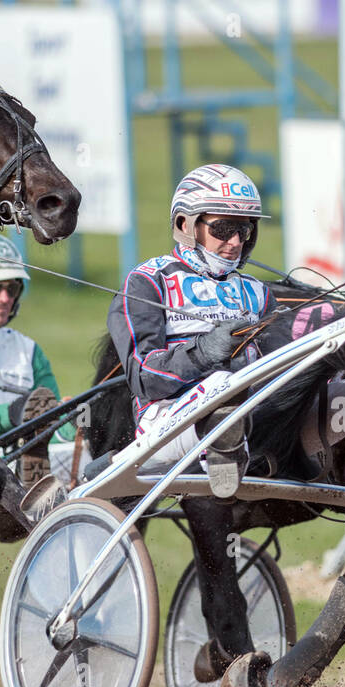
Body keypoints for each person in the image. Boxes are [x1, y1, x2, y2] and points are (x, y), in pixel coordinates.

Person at [106, 163, 277, 497]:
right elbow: (144, 377)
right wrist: (203, 352)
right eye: (224, 228)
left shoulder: (259, 292)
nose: (235, 242)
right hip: (167, 423)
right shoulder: (148, 282)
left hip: (256, 412)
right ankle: (224, 441)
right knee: (226, 383)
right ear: (186, 224)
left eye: (245, 231)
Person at [0, 230, 88, 488]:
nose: (5, 298)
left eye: (12, 288)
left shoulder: (28, 349)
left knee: (92, 453)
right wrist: (11, 414)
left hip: (24, 454)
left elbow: (49, 421)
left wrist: (74, 425)